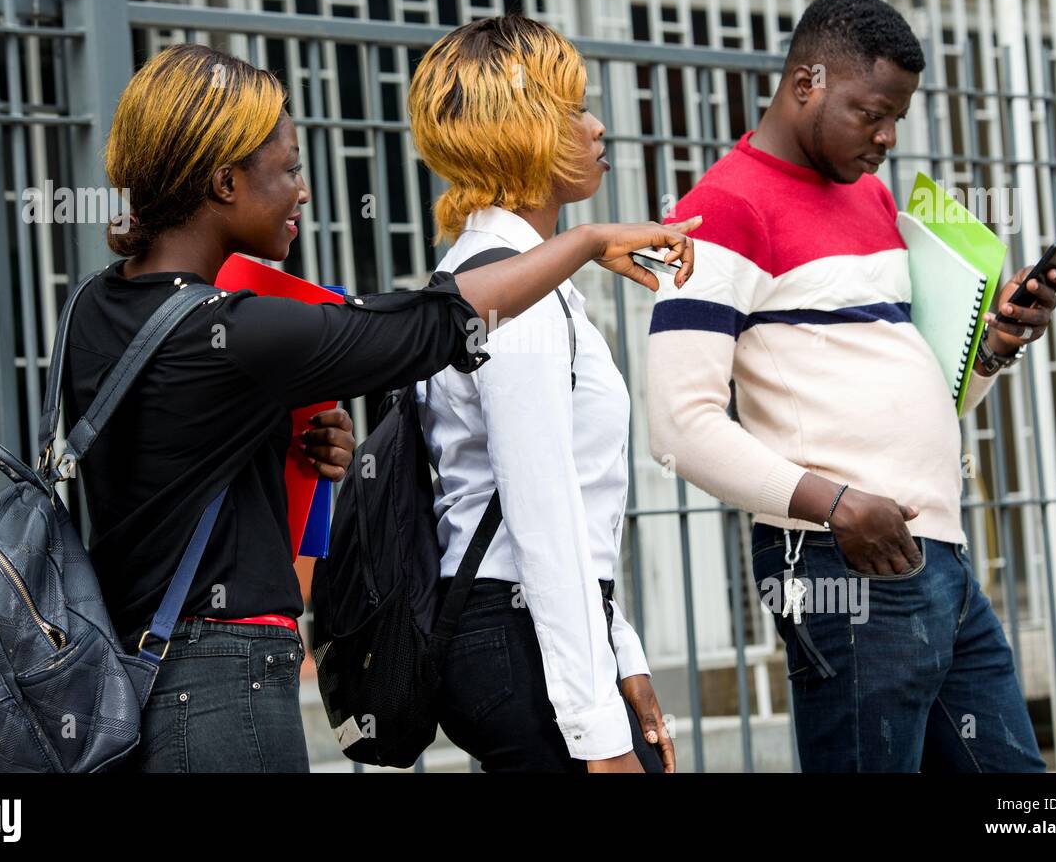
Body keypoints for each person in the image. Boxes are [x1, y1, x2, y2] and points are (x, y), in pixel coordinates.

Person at [60, 42, 697, 772]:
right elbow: (424, 326)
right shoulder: (233, 329)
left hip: (137, 666)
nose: (302, 191)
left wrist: (281, 443)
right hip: (219, 688)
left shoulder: (96, 305)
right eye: (290, 168)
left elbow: (161, 467)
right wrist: (585, 241)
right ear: (226, 181)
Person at [646, 0, 1056, 772]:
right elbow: (678, 426)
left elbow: (917, 390)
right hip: (844, 562)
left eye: (898, 116)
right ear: (806, 82)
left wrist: (995, 347)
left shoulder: (868, 196)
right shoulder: (721, 210)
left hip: (932, 550)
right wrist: (839, 506)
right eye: (871, 112)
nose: (887, 137)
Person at [409, 14, 683, 773]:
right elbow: (541, 506)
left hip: (527, 628)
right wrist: (600, 735)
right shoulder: (510, 291)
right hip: (514, 630)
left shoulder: (516, 276)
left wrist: (620, 650)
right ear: (521, 129)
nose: (598, 128)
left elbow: (571, 512)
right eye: (573, 109)